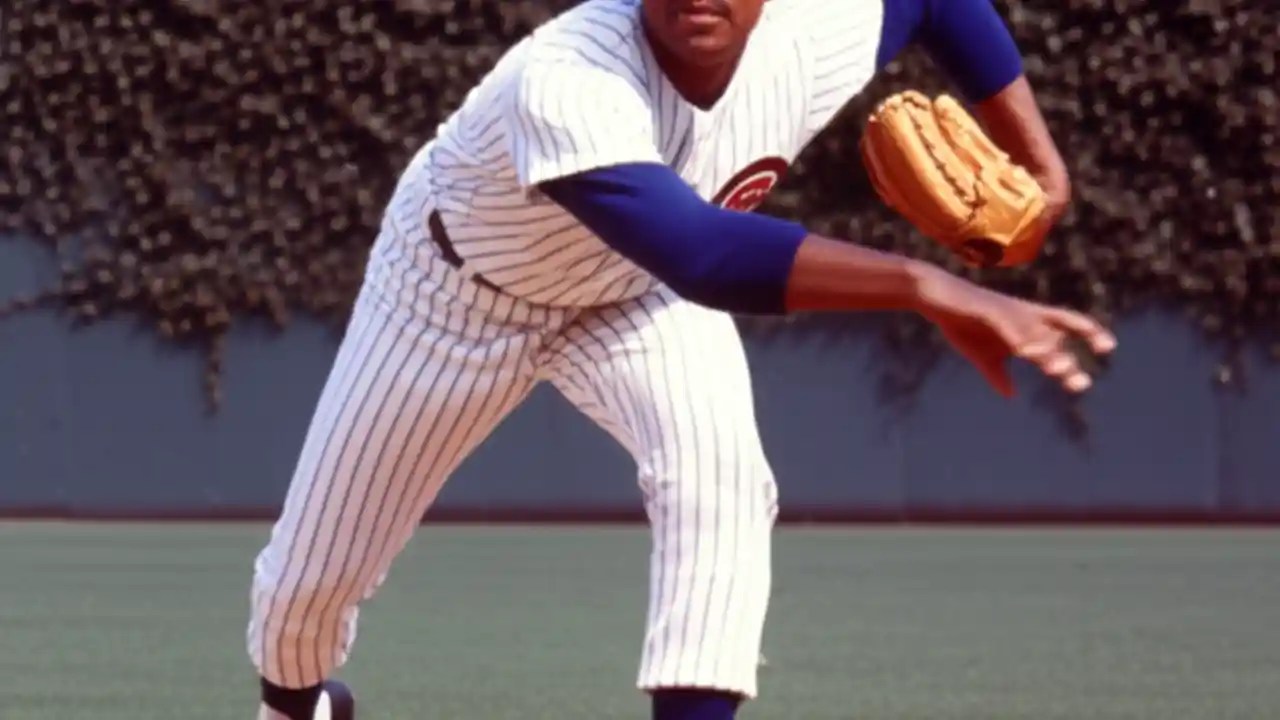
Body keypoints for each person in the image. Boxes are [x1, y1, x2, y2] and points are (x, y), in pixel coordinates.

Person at [248, 0, 1115, 718]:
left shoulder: (811, 32)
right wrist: (928, 286)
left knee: (722, 479)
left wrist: (1045, 170)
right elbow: (699, 250)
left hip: (634, 296)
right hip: (455, 292)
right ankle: (296, 708)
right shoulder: (566, 75)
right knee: (305, 594)